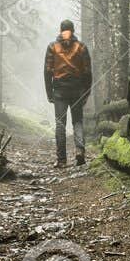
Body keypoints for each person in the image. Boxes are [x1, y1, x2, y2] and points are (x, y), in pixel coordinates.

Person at [43, 19, 93, 167]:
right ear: (73, 30)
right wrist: (86, 93)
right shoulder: (81, 47)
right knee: (77, 121)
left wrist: (49, 93)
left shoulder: (52, 47)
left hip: (59, 90)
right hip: (77, 89)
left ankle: (62, 160)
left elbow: (47, 72)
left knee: (60, 124)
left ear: (61, 30)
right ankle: (79, 151)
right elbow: (87, 73)